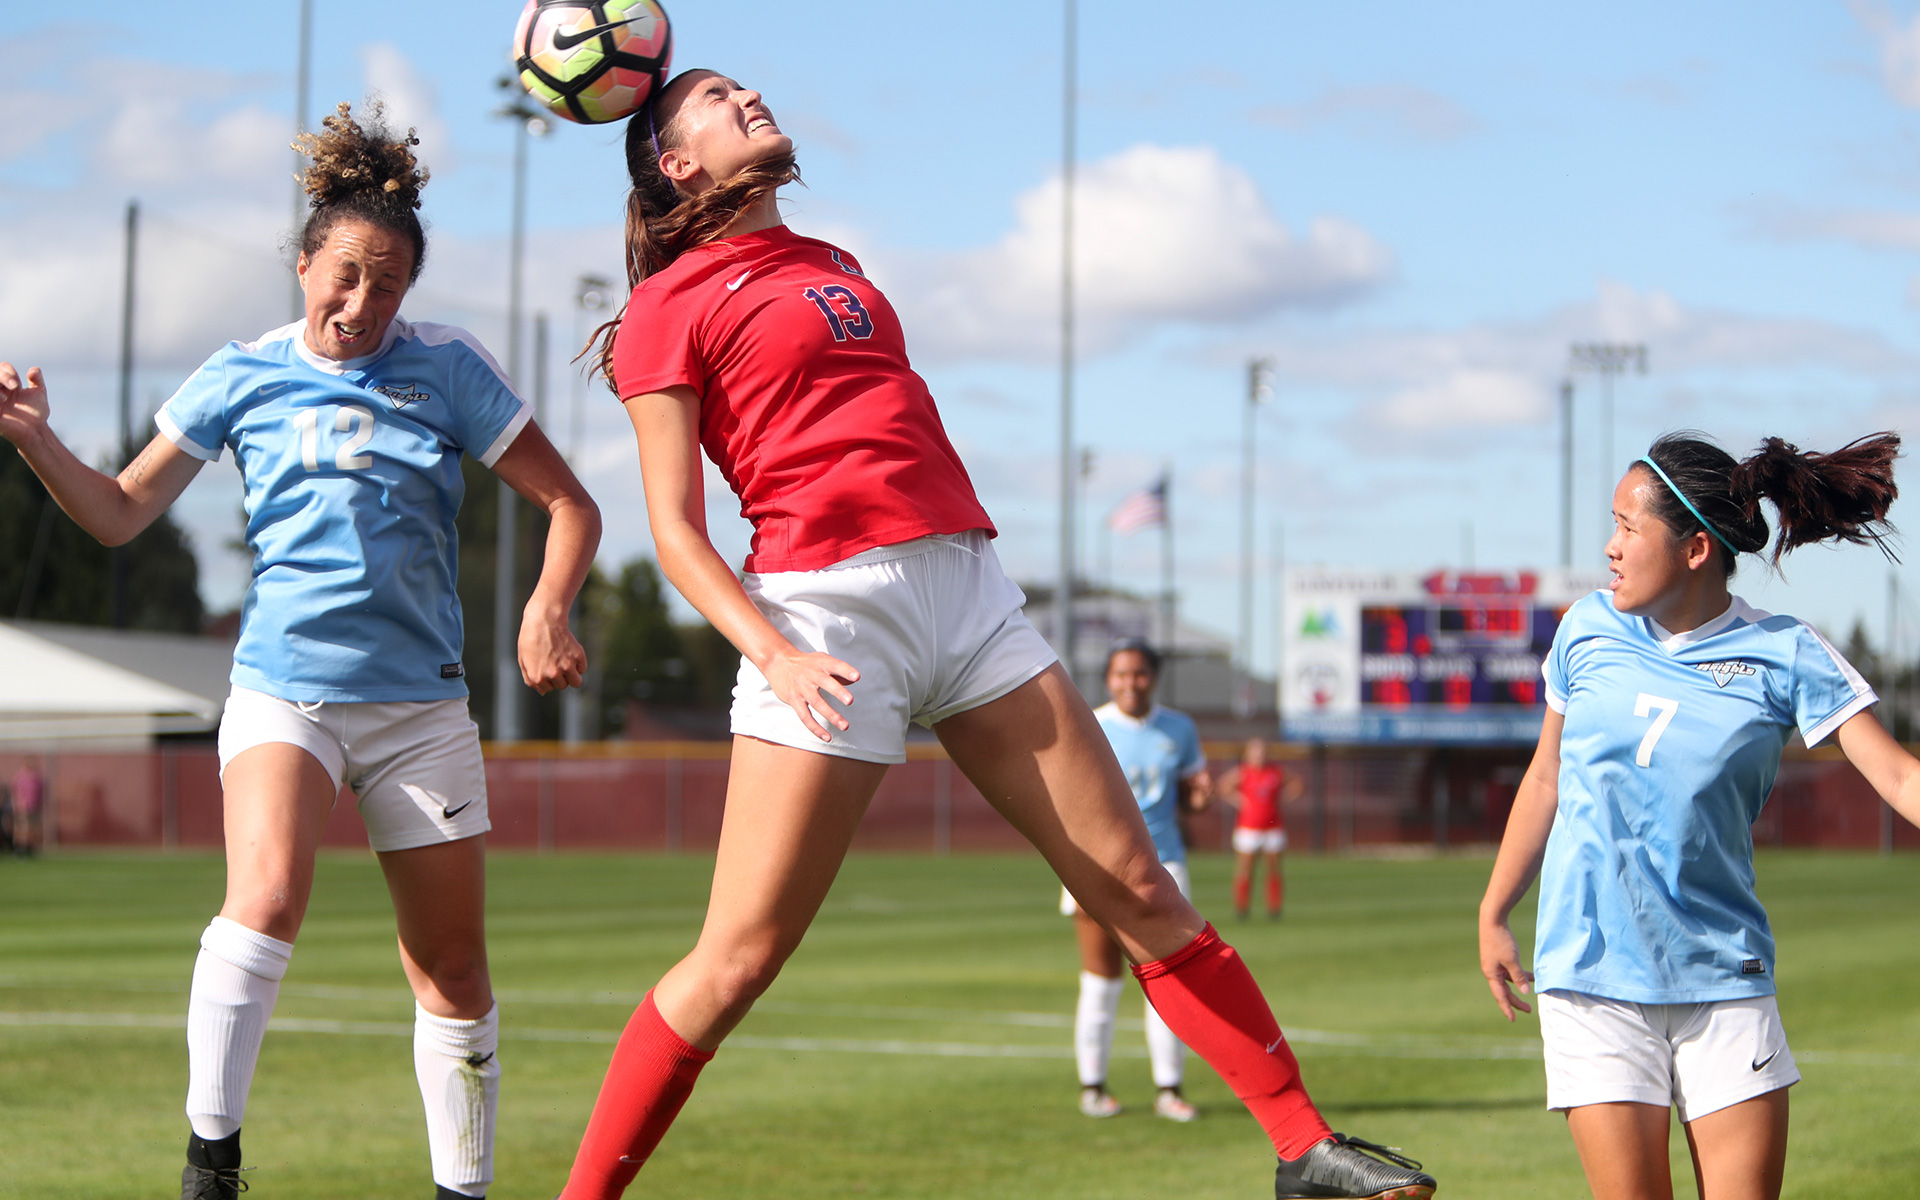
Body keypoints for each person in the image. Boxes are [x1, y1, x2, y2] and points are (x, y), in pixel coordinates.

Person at [554, 69, 1437, 1200]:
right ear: (675, 163)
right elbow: (675, 537)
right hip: (824, 612)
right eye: (720, 99)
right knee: (737, 960)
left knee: (1136, 880)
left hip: (966, 585)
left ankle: (1304, 1149)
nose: (752, 96)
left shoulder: (835, 261)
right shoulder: (667, 307)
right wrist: (770, 650)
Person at [0, 103, 600, 1200]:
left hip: (421, 708)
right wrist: (37, 439)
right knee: (267, 895)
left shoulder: (449, 369)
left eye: (389, 286)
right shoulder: (239, 375)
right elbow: (122, 515)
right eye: (346, 275)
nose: (362, 305)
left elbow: (571, 506)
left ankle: (462, 1191)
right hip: (287, 692)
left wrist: (546, 607)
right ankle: (211, 1165)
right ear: (304, 263)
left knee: (453, 970)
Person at [1478, 431, 1920, 1200]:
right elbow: (1546, 775)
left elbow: (1899, 775)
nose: (1609, 547)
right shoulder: (1586, 628)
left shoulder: (1787, 652)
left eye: (1627, 526)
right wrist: (1493, 910)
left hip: (1726, 978)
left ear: (1694, 550)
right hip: (1590, 976)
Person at [1066, 639, 1211, 1122]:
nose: (1131, 683)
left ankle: (1169, 1089)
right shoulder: (1091, 723)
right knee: (1101, 982)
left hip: (1164, 866)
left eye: (1140, 673)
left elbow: (1190, 801)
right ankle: (1093, 1087)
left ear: (1154, 676)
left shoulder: (1179, 729)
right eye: (1121, 674)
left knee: (1170, 985)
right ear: (1108, 680)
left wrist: (1201, 798)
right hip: (1097, 867)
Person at [1219, 737, 1300, 921]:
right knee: (1245, 869)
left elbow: (1297, 784)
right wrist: (1239, 800)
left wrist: (1282, 801)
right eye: (1255, 751)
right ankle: (1242, 909)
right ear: (1248, 754)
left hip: (1273, 827)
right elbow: (1224, 786)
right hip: (1248, 827)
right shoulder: (1243, 772)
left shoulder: (1275, 772)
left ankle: (1274, 909)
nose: (1259, 755)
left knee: (1274, 868)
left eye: (1262, 751)